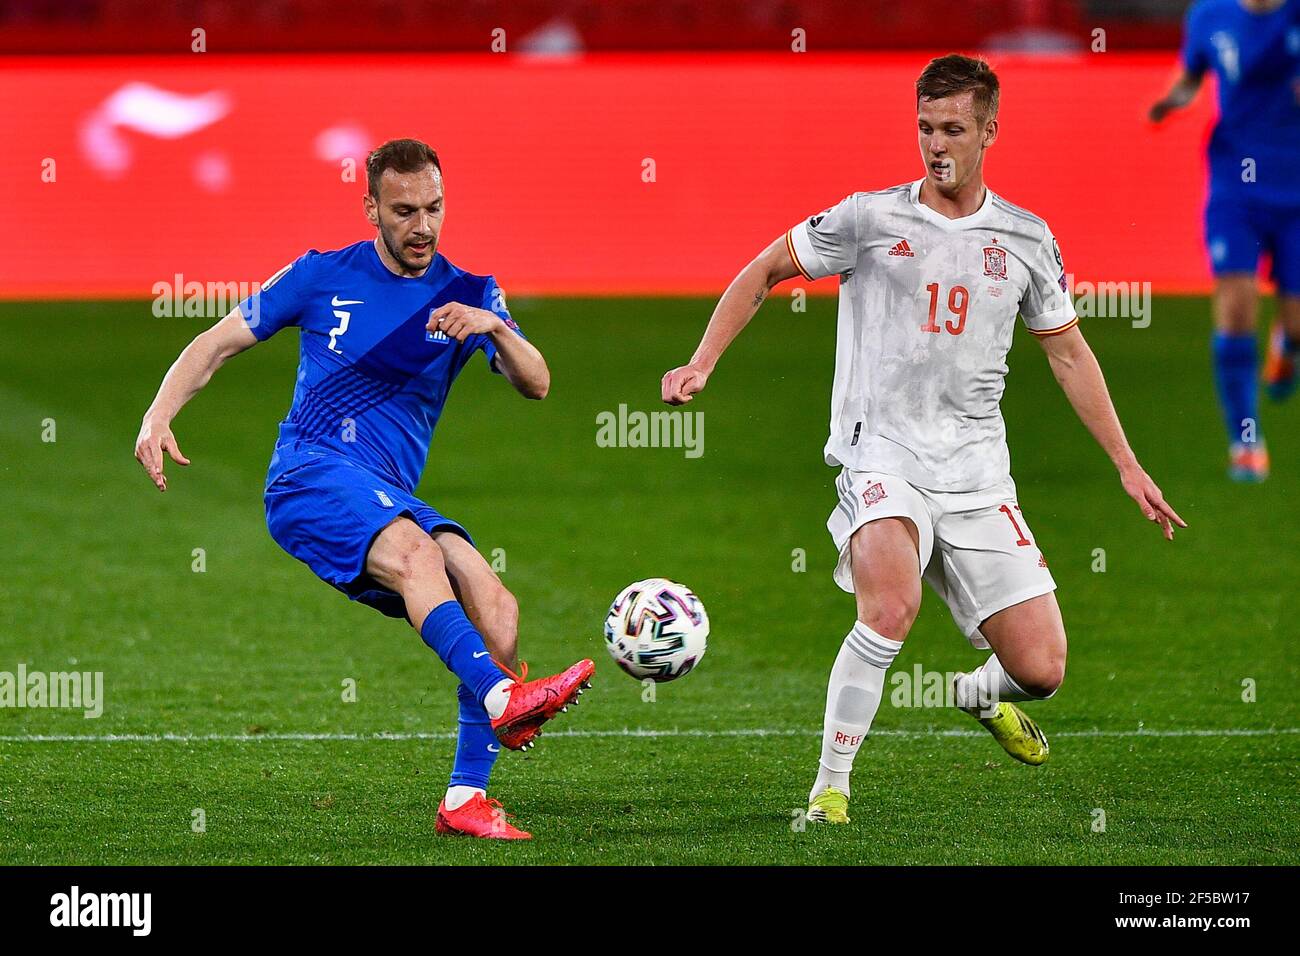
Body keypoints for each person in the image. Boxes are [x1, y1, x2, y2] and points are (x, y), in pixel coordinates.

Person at [662, 55, 1184, 824]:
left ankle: (977, 693)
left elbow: (1069, 352)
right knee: (890, 609)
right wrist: (703, 361)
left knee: (1041, 669)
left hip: (976, 470)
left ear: (988, 132)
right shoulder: (869, 218)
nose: (936, 145)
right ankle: (829, 789)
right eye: (925, 128)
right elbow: (767, 268)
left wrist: (1127, 464)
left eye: (953, 130)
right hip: (882, 453)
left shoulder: (1027, 239)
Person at [135, 138, 594, 841]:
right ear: (372, 208)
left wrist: (494, 326)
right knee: (421, 558)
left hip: (384, 493)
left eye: (434, 208)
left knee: (497, 605)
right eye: (404, 210)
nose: (423, 226)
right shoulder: (320, 275)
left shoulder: (469, 294)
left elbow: (537, 383)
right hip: (307, 476)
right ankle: (504, 696)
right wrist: (159, 414)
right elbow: (218, 341)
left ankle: (465, 799)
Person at [1150, 0, 1300, 481]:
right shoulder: (1209, 16)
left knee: (1296, 322)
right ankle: (1246, 439)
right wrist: (1172, 99)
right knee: (1236, 303)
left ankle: (1288, 341)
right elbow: (1192, 72)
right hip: (1235, 185)